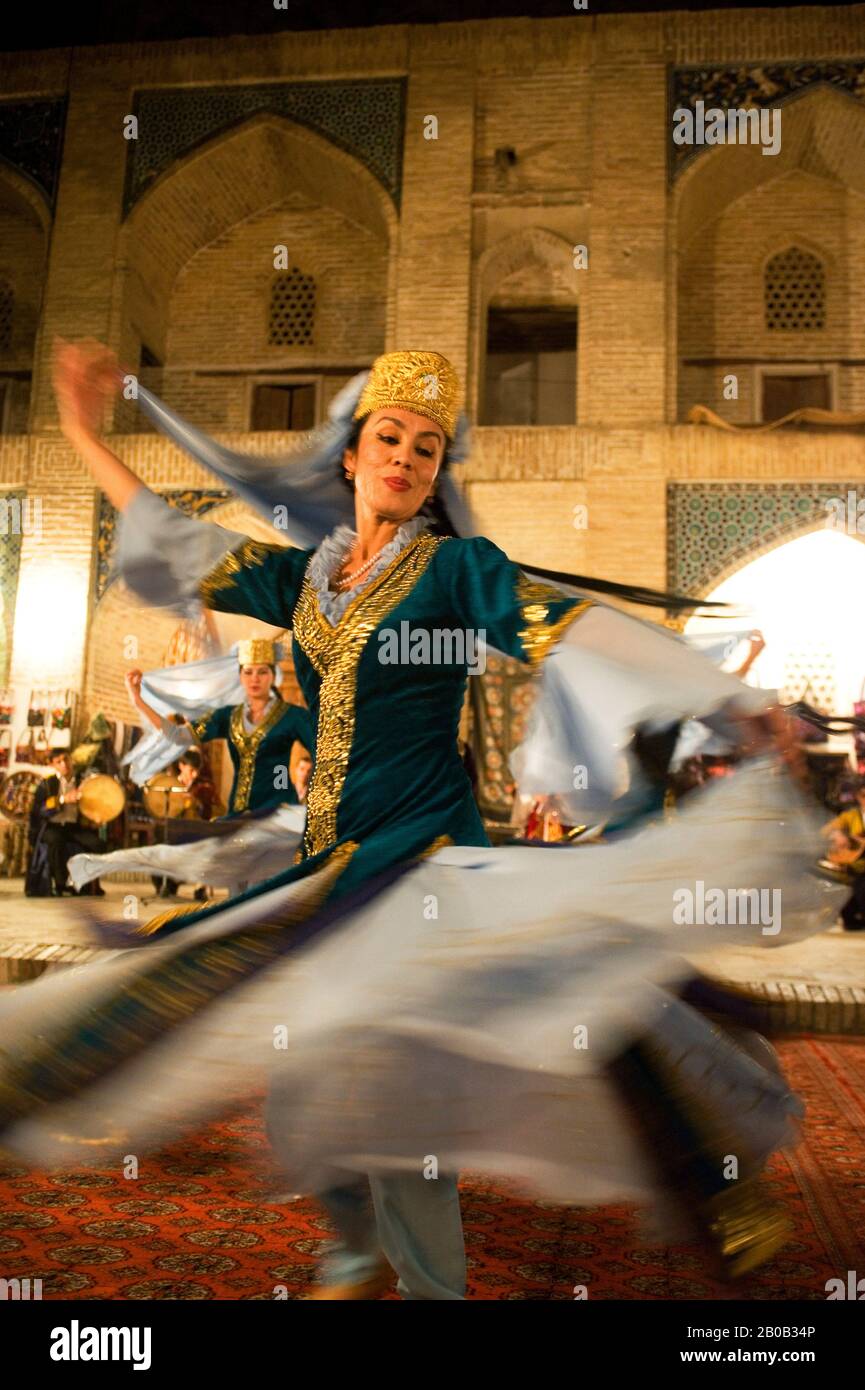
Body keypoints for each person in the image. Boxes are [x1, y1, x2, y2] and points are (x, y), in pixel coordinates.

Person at [0, 340, 839, 1302]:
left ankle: (495, 1262)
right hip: (327, 872)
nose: (405, 457)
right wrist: (75, 425)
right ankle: (356, 1255)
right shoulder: (302, 586)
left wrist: (719, 696)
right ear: (350, 459)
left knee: (478, 1054)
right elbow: (173, 535)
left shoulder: (451, 572)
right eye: (389, 438)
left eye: (428, 448)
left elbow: (568, 623)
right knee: (297, 1087)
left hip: (423, 872)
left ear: (433, 474)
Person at [125, 652, 312, 816]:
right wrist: (138, 701)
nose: (255, 679)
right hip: (239, 814)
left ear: (273, 676)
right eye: (248, 672)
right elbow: (178, 735)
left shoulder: (292, 716)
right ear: (240, 677)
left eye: (262, 672)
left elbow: (324, 751)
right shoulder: (228, 716)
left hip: (280, 811)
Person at [25, 750, 105, 897]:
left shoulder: (83, 783)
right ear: (53, 765)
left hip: (75, 827)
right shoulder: (47, 784)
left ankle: (87, 885)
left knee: (96, 844)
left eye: (66, 759)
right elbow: (40, 810)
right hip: (53, 826)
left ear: (71, 761)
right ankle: (62, 884)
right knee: (56, 841)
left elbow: (94, 805)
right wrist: (63, 800)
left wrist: (95, 818)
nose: (64, 764)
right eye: (59, 761)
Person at [821, 782, 865, 930]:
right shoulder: (851, 816)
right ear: (858, 797)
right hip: (853, 865)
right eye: (863, 795)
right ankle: (850, 919)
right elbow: (827, 829)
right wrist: (838, 834)